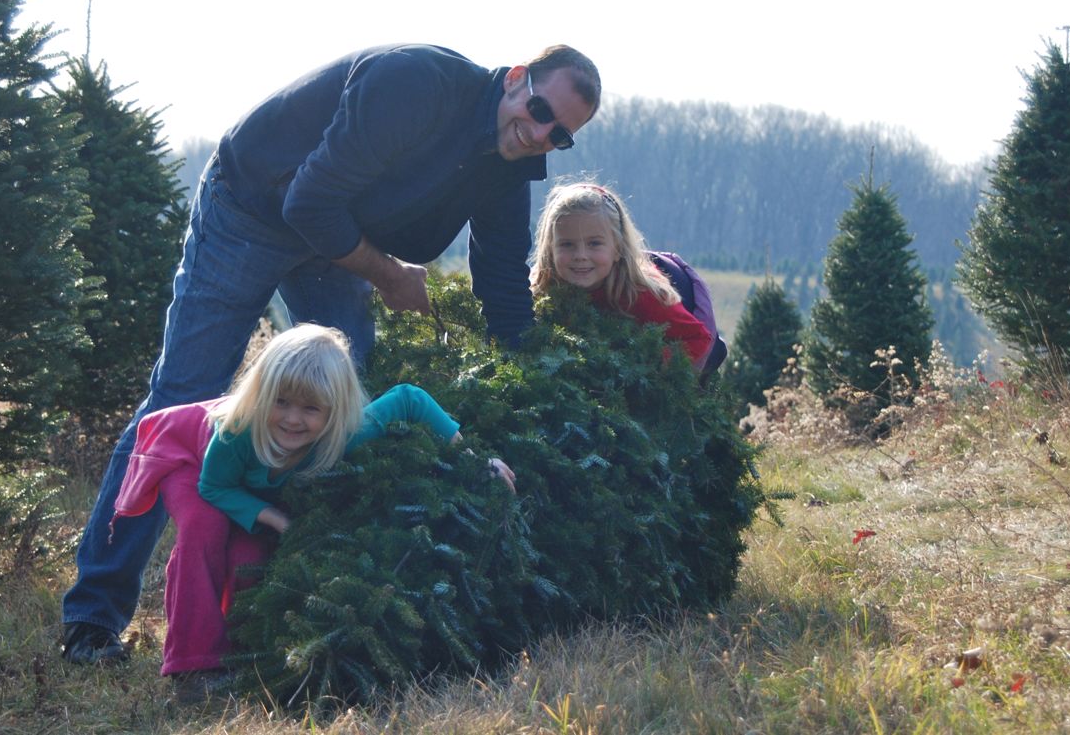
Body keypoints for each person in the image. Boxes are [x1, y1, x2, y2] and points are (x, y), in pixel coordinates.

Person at [61, 44, 600, 664]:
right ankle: (93, 618)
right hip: (254, 208)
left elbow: (503, 279)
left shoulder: (508, 161)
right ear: (513, 80)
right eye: (537, 110)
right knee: (183, 392)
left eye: (559, 135)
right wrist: (391, 278)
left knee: (340, 411)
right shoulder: (415, 85)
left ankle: (280, 611)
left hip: (341, 240)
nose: (538, 133)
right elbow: (307, 202)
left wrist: (528, 379)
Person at [108, 324, 514, 695]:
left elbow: (410, 399)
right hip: (193, 461)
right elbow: (214, 487)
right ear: (262, 395)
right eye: (281, 402)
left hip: (238, 484)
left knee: (249, 554)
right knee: (204, 529)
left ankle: (237, 652)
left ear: (334, 411)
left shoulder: (348, 432)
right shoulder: (236, 431)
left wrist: (477, 461)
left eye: (310, 408)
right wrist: (275, 518)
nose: (292, 419)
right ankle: (191, 666)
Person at [530, 182, 713, 369]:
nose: (580, 255)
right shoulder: (542, 294)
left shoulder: (641, 294)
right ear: (550, 250)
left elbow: (698, 338)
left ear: (617, 248)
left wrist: (642, 363)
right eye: (567, 244)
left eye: (594, 243)